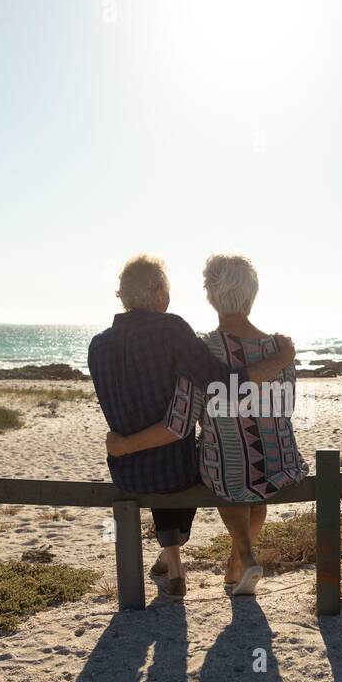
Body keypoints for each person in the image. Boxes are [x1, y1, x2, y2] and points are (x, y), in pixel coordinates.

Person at [88, 254, 295, 599]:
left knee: (214, 458)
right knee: (229, 466)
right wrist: (281, 360)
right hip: (234, 467)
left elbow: (166, 418)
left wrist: (121, 446)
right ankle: (228, 563)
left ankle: (198, 559)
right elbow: (264, 399)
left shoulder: (99, 345)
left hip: (126, 471)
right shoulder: (174, 329)